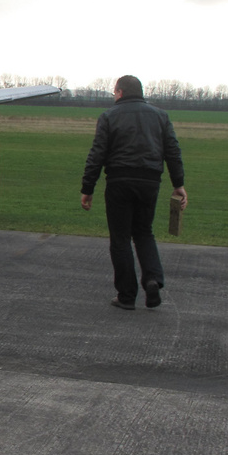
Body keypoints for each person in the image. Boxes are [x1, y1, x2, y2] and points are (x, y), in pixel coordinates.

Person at [80, 75, 188, 309]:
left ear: (119, 92)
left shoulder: (109, 116)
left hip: (119, 180)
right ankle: (153, 279)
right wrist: (178, 183)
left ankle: (127, 295)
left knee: (120, 238)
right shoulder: (161, 116)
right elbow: (173, 151)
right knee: (144, 232)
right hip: (150, 181)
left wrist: (88, 188)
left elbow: (97, 154)